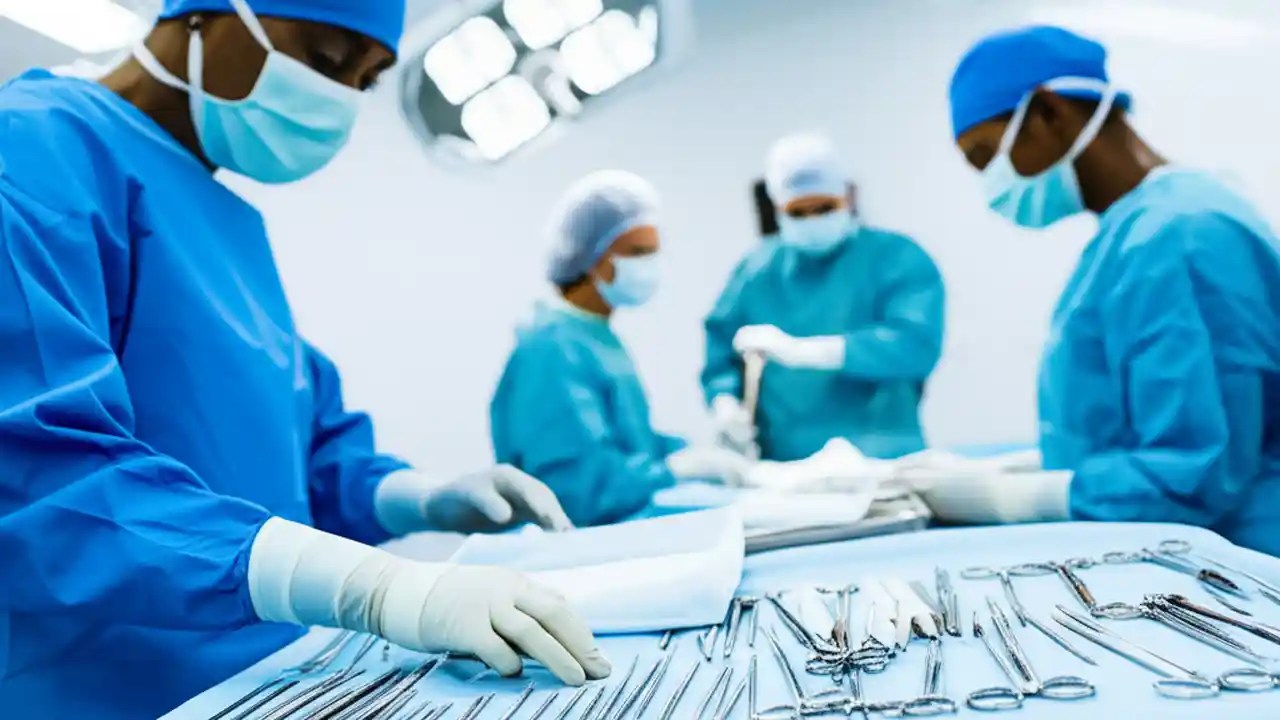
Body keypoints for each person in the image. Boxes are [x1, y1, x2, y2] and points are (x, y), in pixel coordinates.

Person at [0, 0, 611, 716]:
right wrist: (377, 588)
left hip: (272, 675)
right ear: (204, 15)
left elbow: (302, 459)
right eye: (325, 59)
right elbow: (43, 481)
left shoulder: (227, 224)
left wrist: (426, 497)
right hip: (116, 689)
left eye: (368, 79)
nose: (341, 98)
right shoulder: (31, 151)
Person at [921, 25, 1280, 554]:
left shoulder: (1179, 234)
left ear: (1047, 112)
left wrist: (1018, 498)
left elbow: (1199, 468)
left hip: (1240, 569)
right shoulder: (1139, 229)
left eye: (985, 157)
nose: (989, 183)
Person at [491, 171, 750, 526]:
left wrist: (690, 454)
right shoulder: (551, 348)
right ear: (589, 255)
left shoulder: (595, 336)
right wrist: (673, 470)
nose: (651, 266)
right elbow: (575, 488)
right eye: (638, 252)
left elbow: (631, 442)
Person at [703, 134, 946, 463]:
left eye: (824, 207)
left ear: (849, 195)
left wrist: (805, 352)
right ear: (777, 208)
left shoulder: (895, 258)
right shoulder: (756, 272)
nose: (813, 220)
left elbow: (915, 345)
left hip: (885, 462)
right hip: (787, 467)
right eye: (798, 212)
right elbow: (721, 351)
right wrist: (725, 404)